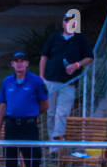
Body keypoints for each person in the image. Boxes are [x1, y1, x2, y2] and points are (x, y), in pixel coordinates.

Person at [0, 51, 50, 167]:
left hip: (29, 128)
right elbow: (3, 106)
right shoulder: (7, 82)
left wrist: (31, 115)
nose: (19, 64)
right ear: (12, 64)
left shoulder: (36, 81)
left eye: (22, 61)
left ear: (26, 63)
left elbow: (45, 104)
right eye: (16, 61)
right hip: (11, 127)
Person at [39, 9, 94, 144]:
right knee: (51, 114)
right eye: (67, 21)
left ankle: (57, 145)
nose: (70, 24)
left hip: (69, 83)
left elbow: (89, 57)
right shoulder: (54, 37)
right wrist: (41, 76)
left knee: (62, 114)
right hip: (51, 81)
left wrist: (77, 65)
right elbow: (44, 56)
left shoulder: (81, 39)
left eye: (73, 22)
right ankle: (53, 144)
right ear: (63, 23)